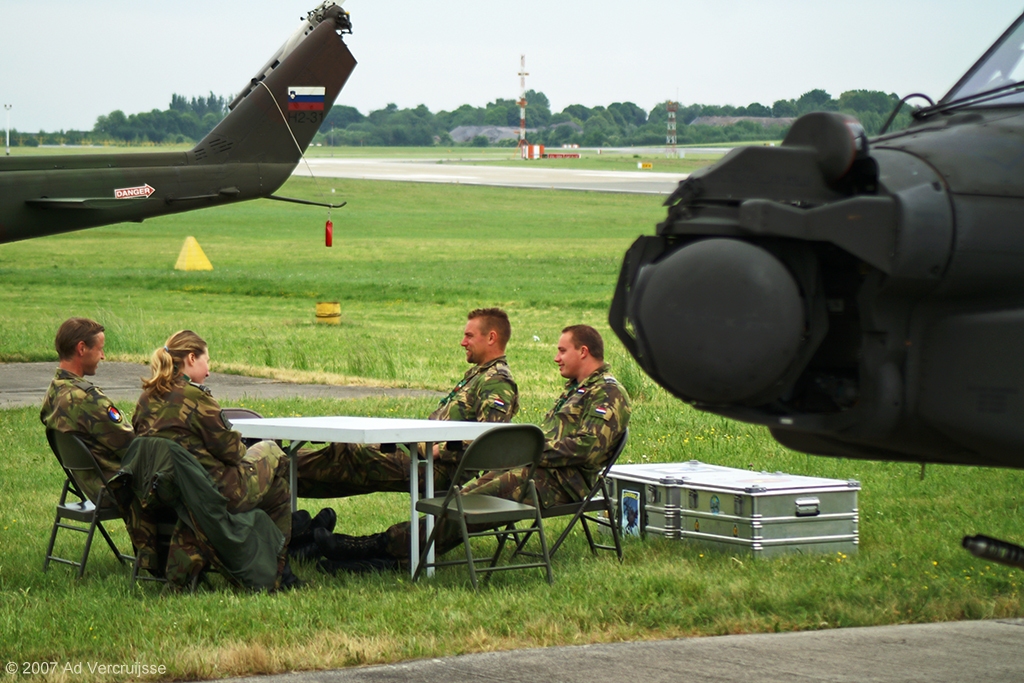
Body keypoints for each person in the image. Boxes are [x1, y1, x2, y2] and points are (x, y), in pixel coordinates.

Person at [319, 324, 631, 571]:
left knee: (472, 506)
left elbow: (587, 449)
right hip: (536, 469)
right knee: (462, 498)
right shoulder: (578, 389)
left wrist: (529, 451)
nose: (556, 357)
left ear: (584, 351)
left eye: (562, 351)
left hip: (565, 482)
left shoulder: (608, 393)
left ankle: (380, 548)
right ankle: (393, 550)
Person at [131, 330, 298, 588]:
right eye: (206, 361)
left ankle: (273, 560)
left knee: (275, 484)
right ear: (190, 358)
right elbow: (232, 452)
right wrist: (243, 443)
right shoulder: (195, 397)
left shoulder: (145, 400)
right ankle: (277, 566)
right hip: (213, 492)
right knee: (274, 452)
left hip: (162, 494)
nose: (208, 371)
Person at [295, 308, 520, 499]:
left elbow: (491, 438)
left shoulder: (497, 381)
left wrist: (437, 451)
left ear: (491, 338)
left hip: (437, 470)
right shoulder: (481, 375)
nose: (463, 342)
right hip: (417, 455)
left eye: (469, 336)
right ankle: (279, 471)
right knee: (343, 461)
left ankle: (276, 464)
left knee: (351, 455)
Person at [40, 317, 135, 502]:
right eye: (100, 349)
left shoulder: (53, 393)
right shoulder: (88, 399)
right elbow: (133, 448)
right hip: (119, 488)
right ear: (82, 348)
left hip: (92, 489)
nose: (103, 356)